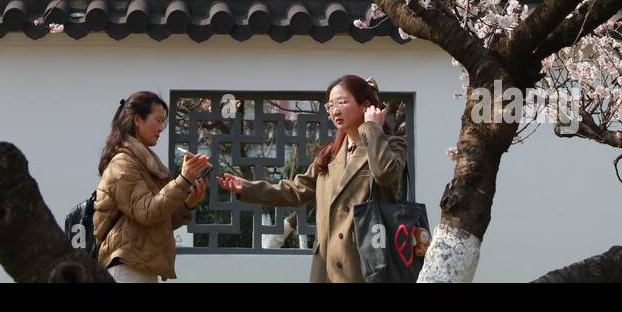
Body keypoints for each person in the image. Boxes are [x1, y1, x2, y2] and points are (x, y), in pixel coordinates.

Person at [217, 75, 427, 282]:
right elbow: (295, 190)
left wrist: (372, 129)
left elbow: (384, 174)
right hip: (327, 266)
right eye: (330, 105)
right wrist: (246, 188)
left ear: (365, 106)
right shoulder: (330, 154)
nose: (335, 110)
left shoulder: (392, 145)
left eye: (342, 102)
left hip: (367, 264)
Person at [94, 91, 210, 282]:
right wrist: (183, 180)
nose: (161, 128)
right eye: (157, 120)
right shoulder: (122, 164)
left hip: (141, 266)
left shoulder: (144, 163)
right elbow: (147, 212)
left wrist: (188, 204)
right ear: (138, 120)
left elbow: (160, 221)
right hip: (126, 267)